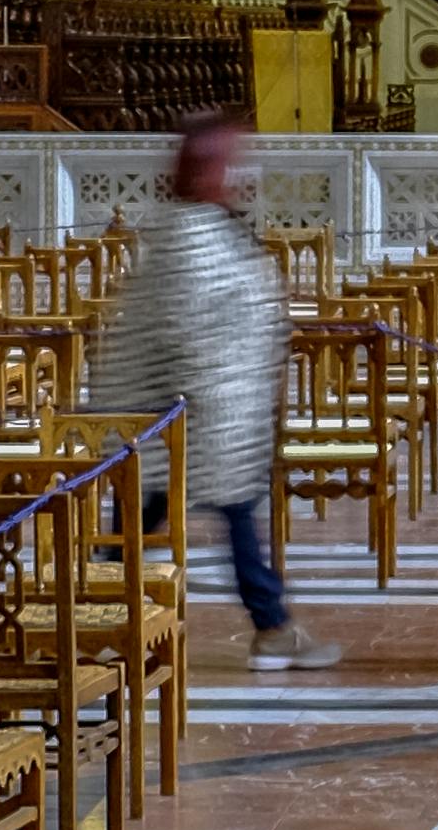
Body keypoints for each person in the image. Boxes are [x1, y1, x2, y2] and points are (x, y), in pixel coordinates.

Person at [90, 118, 337, 675]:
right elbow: (190, 332)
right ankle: (271, 626)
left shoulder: (198, 226)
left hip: (193, 422)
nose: (240, 175)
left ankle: (94, 614)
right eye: (230, 164)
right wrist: (219, 401)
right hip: (191, 420)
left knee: (138, 523)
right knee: (202, 516)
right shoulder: (190, 234)